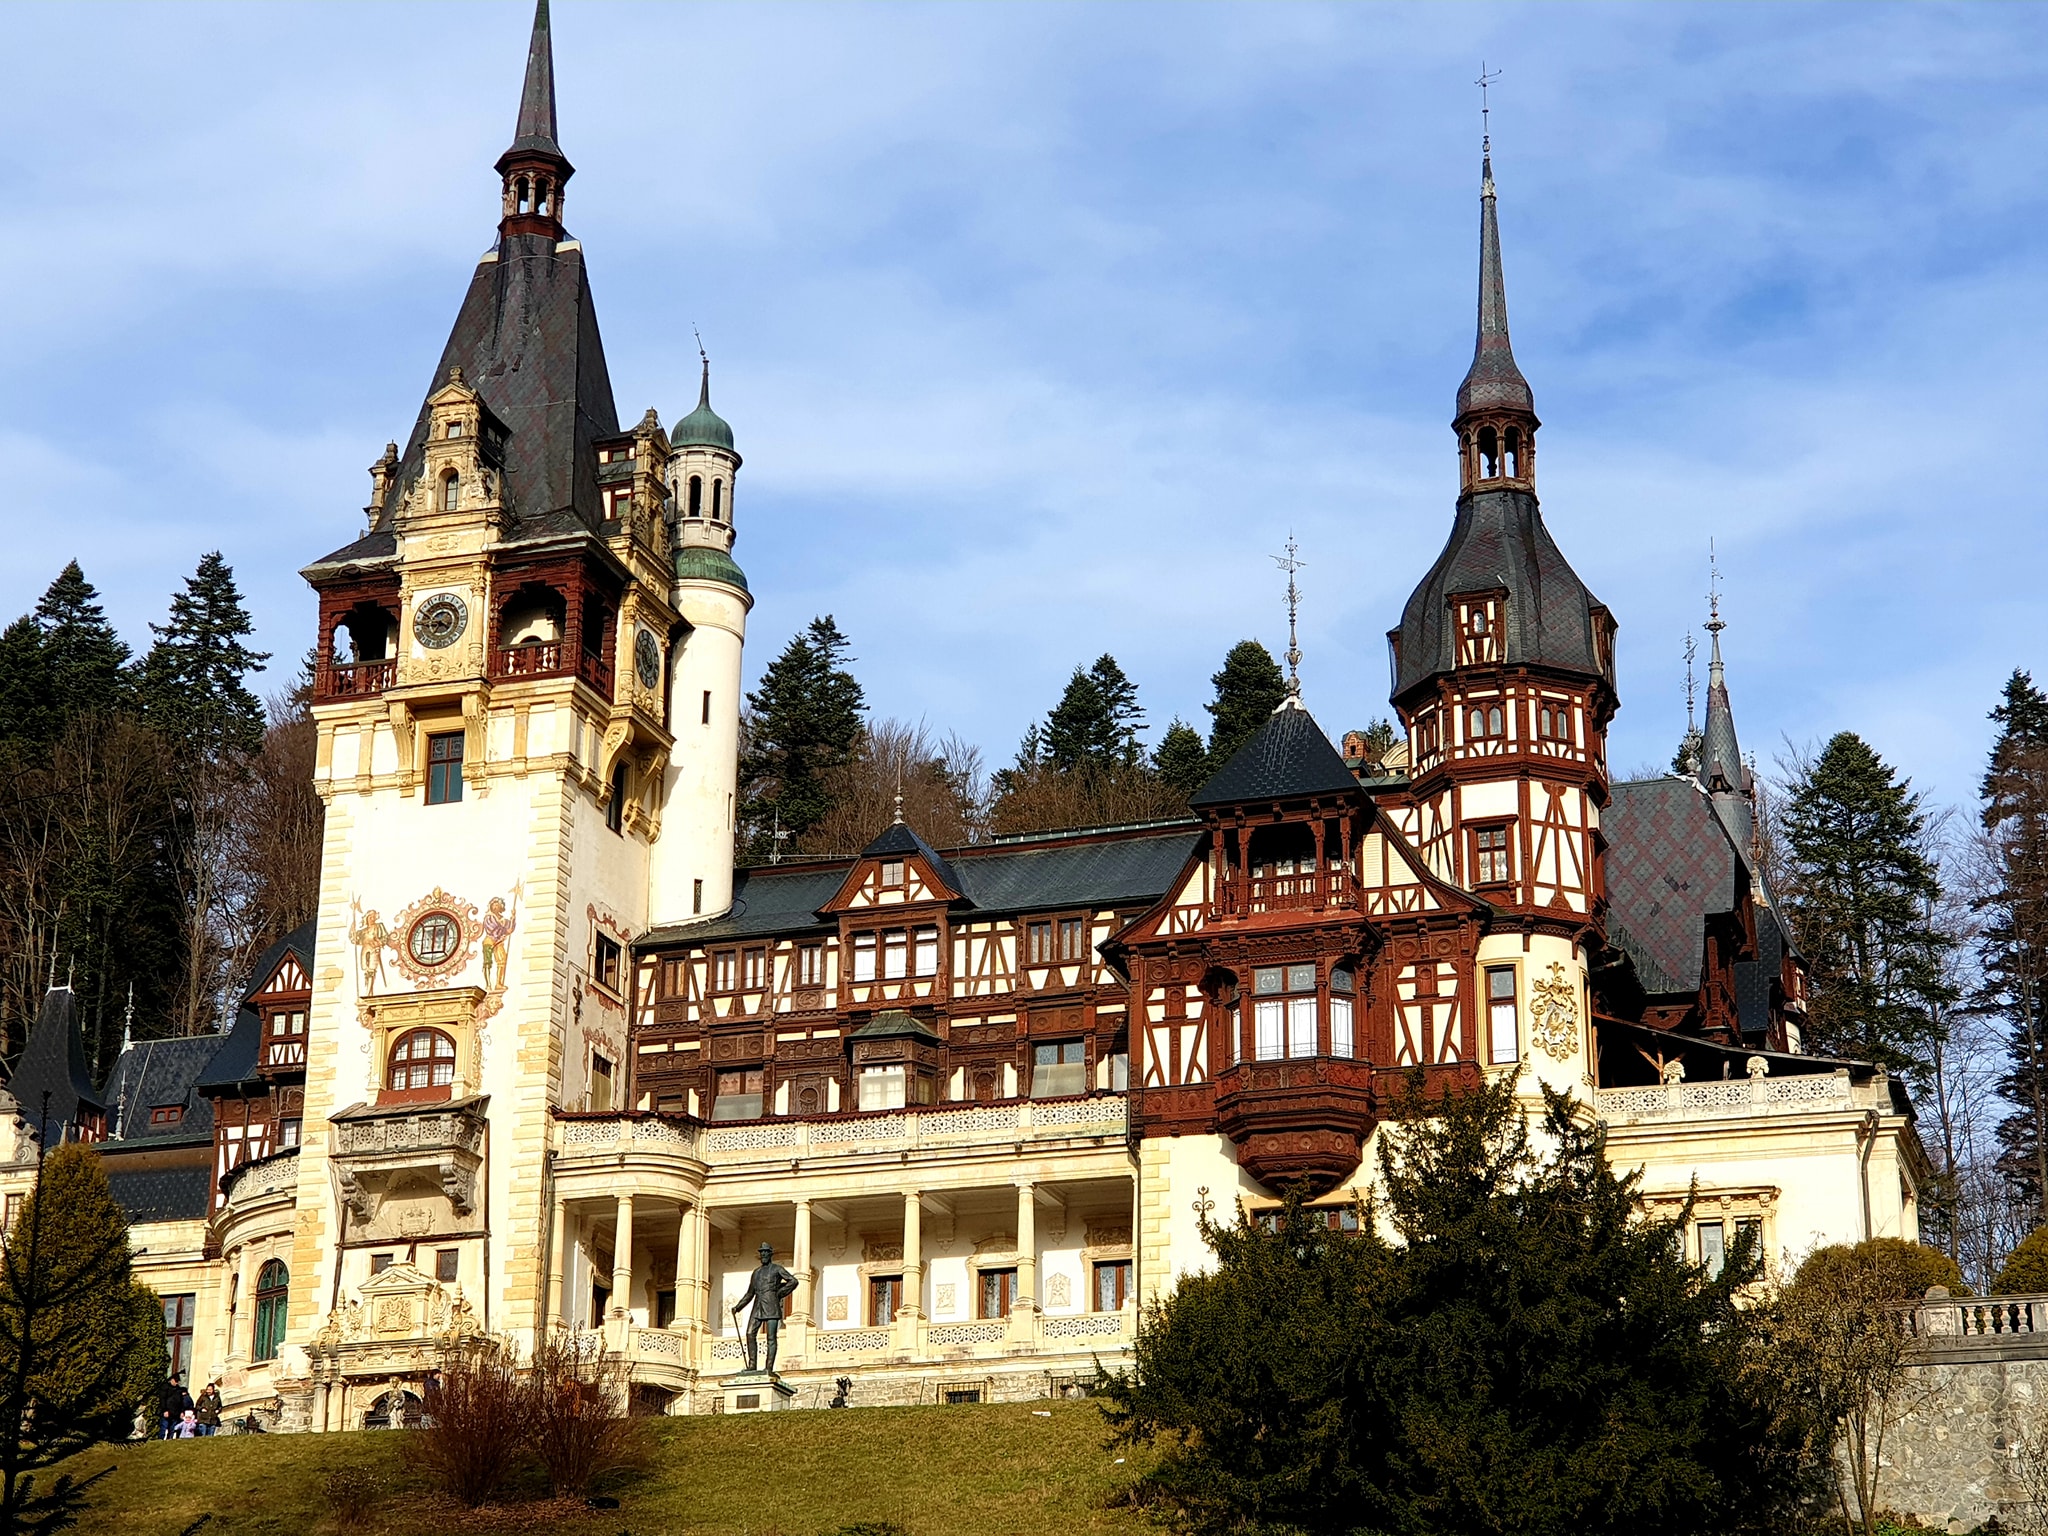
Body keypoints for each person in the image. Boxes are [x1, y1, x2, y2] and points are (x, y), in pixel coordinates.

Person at [158, 1372, 191, 1440]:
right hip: (167, 1412)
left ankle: (169, 1440)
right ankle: (160, 1440)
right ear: (172, 1380)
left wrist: (182, 1412)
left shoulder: (179, 1390)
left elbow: (181, 1402)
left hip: (176, 1413)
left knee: (172, 1429)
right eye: (176, 1381)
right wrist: (165, 1410)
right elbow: (163, 1400)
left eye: (178, 1381)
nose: (177, 1383)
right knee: (163, 1428)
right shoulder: (165, 1388)